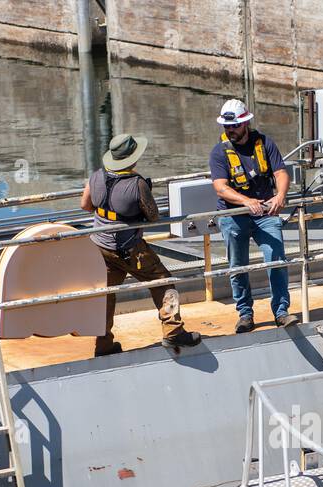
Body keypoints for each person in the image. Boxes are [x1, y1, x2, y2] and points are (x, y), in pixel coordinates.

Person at [80, 132, 200, 354]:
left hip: (99, 248)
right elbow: (152, 216)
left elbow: (85, 204)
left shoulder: (96, 176)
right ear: (132, 159)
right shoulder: (137, 184)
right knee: (163, 283)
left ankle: (103, 344)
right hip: (130, 249)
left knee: (105, 296)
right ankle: (174, 332)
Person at [208, 99, 296, 334]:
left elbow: (280, 172)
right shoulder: (219, 152)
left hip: (266, 212)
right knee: (238, 266)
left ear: (245, 122)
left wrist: (280, 196)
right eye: (227, 127)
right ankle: (245, 314)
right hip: (234, 215)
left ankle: (281, 312)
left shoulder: (265, 143)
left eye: (235, 126)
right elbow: (220, 187)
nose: (230, 130)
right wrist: (246, 201)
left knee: (276, 258)